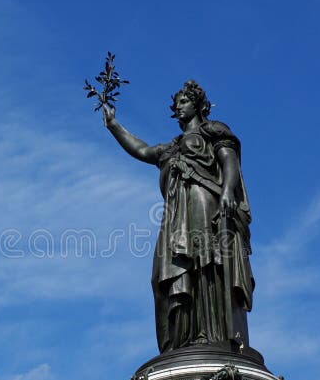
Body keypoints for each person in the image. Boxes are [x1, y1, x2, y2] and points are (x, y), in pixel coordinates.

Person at [102, 80, 254, 353]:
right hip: (176, 216)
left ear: (197, 104)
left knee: (207, 265)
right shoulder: (170, 147)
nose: (178, 107)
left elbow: (229, 160)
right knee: (168, 270)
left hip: (204, 203)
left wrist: (228, 189)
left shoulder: (213, 131)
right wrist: (114, 126)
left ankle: (212, 333)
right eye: (176, 104)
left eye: (183, 101)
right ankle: (182, 338)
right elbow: (143, 150)